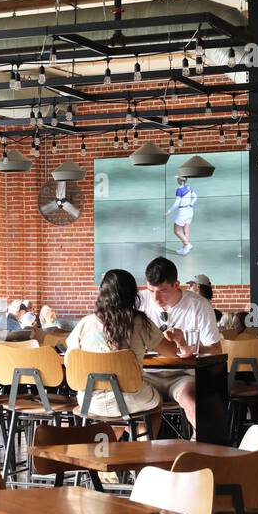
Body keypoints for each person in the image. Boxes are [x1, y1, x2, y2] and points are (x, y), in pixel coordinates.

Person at [67, 269, 182, 435]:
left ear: (101, 292)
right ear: (132, 295)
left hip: (89, 400)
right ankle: (144, 446)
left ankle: (111, 448)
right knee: (156, 404)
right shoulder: (141, 322)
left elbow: (70, 360)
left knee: (116, 413)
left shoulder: (85, 323)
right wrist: (177, 339)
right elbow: (172, 352)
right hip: (131, 398)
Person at [137, 256, 223, 432]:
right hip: (146, 374)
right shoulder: (140, 300)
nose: (155, 297)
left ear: (176, 285)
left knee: (189, 399)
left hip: (183, 375)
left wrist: (187, 344)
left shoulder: (199, 305)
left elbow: (216, 350)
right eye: (150, 290)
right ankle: (144, 452)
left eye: (161, 291)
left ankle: (202, 448)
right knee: (143, 407)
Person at [167, 175, 197, 255]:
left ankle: (187, 244)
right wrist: (191, 204)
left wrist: (169, 211)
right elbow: (195, 197)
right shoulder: (188, 187)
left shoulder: (179, 190)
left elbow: (176, 204)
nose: (177, 180)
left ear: (180, 180)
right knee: (186, 230)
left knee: (176, 231)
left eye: (177, 179)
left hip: (183, 212)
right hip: (190, 211)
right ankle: (185, 249)